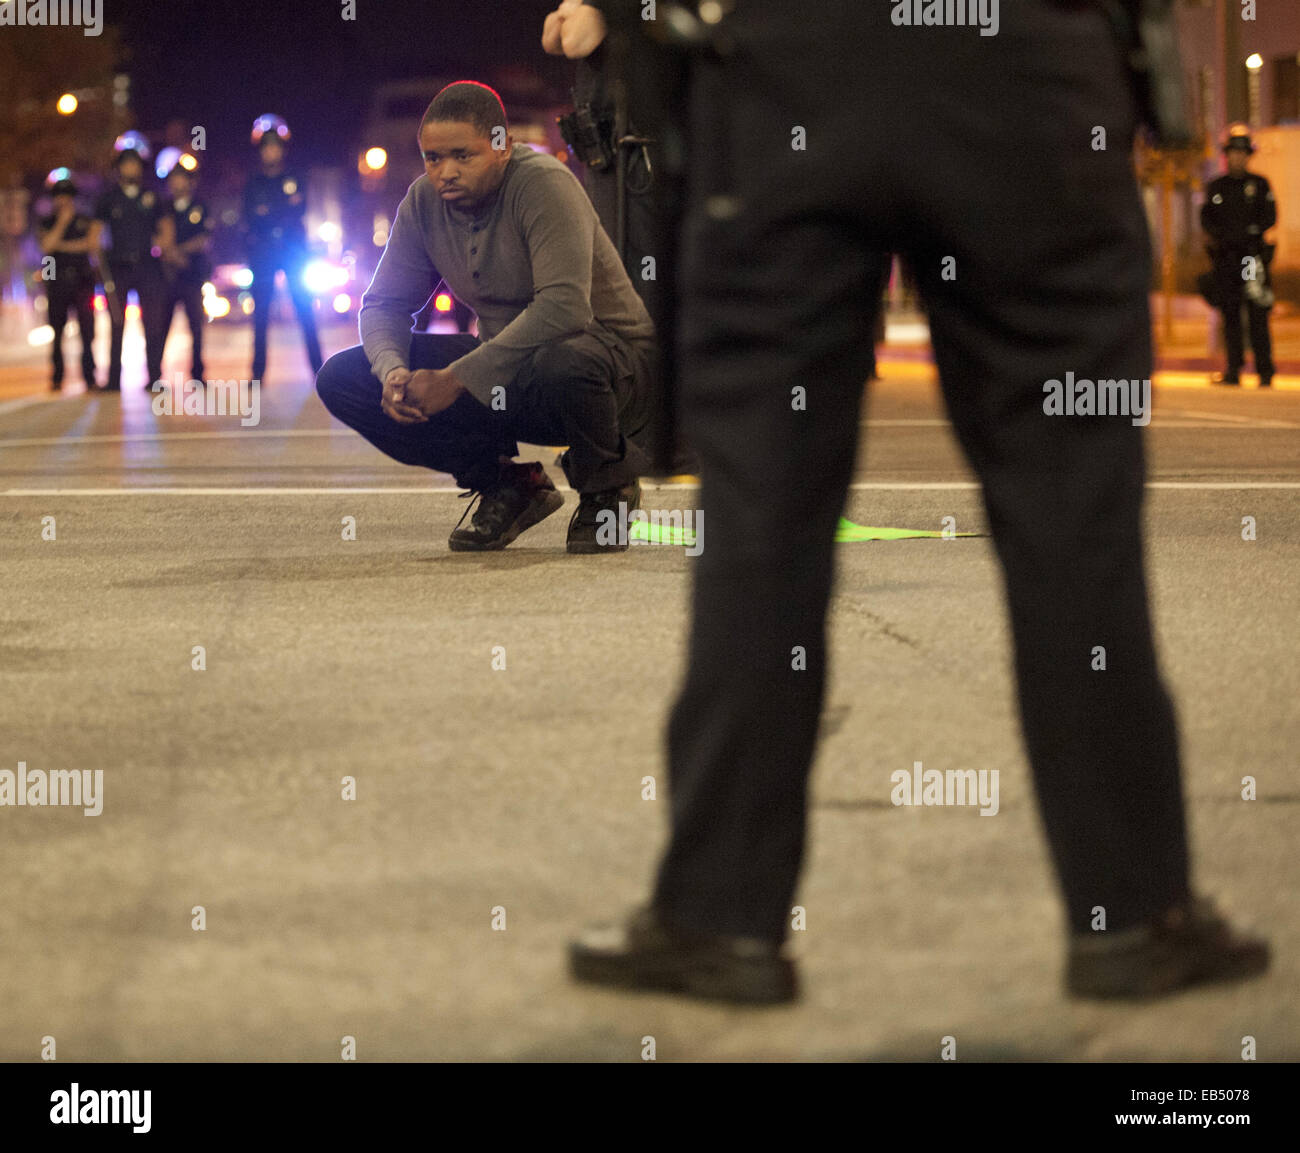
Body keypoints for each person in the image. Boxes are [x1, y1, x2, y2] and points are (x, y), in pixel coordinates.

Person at [569, 1, 1269, 1003]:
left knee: (761, 506)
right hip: (1031, 73)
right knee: (1073, 506)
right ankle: (1132, 913)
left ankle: (720, 916)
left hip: (785, 73)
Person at [315, 81, 657, 554]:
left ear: (503, 147)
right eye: (433, 158)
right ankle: (508, 485)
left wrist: (457, 377)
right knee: (344, 377)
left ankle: (608, 488)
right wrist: (392, 370)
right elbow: (383, 304)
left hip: (611, 372)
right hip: (510, 374)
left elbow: (566, 307)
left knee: (567, 358)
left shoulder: (543, 184)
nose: (445, 172)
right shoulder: (423, 202)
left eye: (463, 155)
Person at [243, 115, 324, 383]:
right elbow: (250, 217)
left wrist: (270, 212)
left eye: (276, 146)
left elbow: (298, 209)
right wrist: (275, 212)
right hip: (263, 253)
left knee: (305, 310)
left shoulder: (294, 178)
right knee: (261, 315)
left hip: (293, 252)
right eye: (267, 146)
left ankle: (318, 369)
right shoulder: (253, 182)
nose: (271, 151)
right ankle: (257, 373)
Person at [1202, 125, 1276, 388]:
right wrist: (1222, 239)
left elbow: (1270, 216)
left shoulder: (1259, 184)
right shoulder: (1217, 187)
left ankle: (1265, 371)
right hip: (1227, 258)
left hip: (1250, 259)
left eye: (1242, 152)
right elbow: (1207, 219)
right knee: (1230, 313)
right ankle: (1233, 369)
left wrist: (1250, 234)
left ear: (1248, 155)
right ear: (1226, 155)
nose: (1238, 157)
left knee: (1257, 313)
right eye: (1233, 152)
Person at [91, 143, 165, 391]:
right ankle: (113, 380)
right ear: (118, 167)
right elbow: (96, 234)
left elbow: (165, 231)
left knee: (153, 324)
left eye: (134, 163)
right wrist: (99, 262)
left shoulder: (152, 197)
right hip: (118, 267)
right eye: (125, 163)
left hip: (147, 266)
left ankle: (155, 377)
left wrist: (162, 248)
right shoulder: (108, 199)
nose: (130, 167)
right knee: (116, 323)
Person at [37, 177, 98, 392]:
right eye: (59, 196)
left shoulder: (84, 220)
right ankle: (57, 377)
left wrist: (60, 246)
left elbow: (90, 244)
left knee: (87, 333)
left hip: (82, 282)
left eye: (67, 196)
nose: (63, 201)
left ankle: (89, 377)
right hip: (56, 282)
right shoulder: (47, 221)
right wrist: (62, 223)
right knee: (57, 333)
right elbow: (46, 246)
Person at [158, 157, 214, 382]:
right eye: (173, 179)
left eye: (181, 178)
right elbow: (159, 237)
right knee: (161, 326)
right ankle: (155, 373)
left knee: (196, 327)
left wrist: (179, 251)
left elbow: (205, 239)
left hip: (192, 275)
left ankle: (198, 374)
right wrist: (170, 253)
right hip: (168, 276)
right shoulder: (163, 207)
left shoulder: (200, 206)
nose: (177, 183)